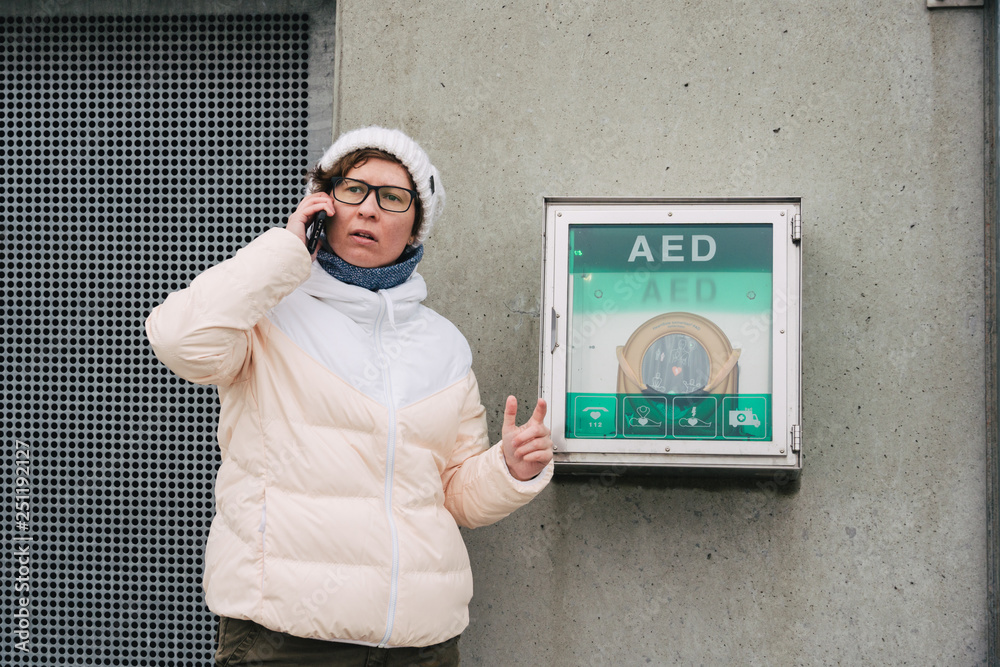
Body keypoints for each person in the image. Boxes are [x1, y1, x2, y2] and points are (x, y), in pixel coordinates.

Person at [145, 126, 554, 666]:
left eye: (392, 198)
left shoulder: (444, 344)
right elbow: (180, 339)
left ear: (414, 228)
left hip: (420, 642)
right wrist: (287, 249)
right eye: (352, 189)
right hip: (287, 637)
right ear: (324, 203)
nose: (368, 210)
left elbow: (454, 493)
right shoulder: (269, 313)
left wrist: (509, 468)